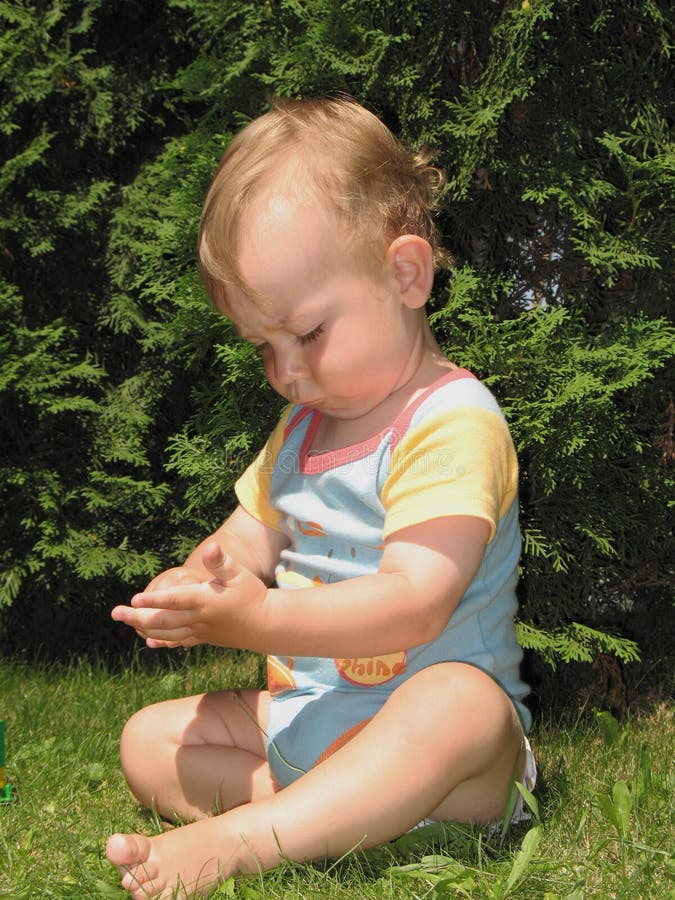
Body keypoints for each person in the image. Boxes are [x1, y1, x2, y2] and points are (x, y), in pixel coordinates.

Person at [105, 95, 535, 899]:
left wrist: (258, 620)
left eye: (306, 333)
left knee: (463, 704)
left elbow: (415, 605)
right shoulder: (300, 430)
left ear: (404, 274)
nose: (287, 370)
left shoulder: (449, 423)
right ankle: (324, 816)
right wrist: (199, 584)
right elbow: (241, 542)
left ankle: (246, 839)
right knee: (146, 741)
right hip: (310, 715)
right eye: (262, 346)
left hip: (436, 746)